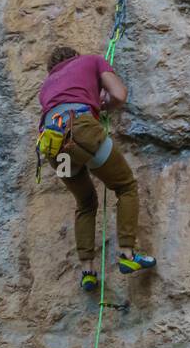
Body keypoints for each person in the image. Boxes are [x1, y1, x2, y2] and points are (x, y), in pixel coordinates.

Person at [37, 46, 155, 291]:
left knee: (86, 202)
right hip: (80, 129)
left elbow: (64, 102)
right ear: (75, 57)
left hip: (51, 145)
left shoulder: (46, 86)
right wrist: (102, 105)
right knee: (125, 186)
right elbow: (120, 95)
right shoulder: (92, 61)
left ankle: (88, 272)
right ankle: (127, 255)